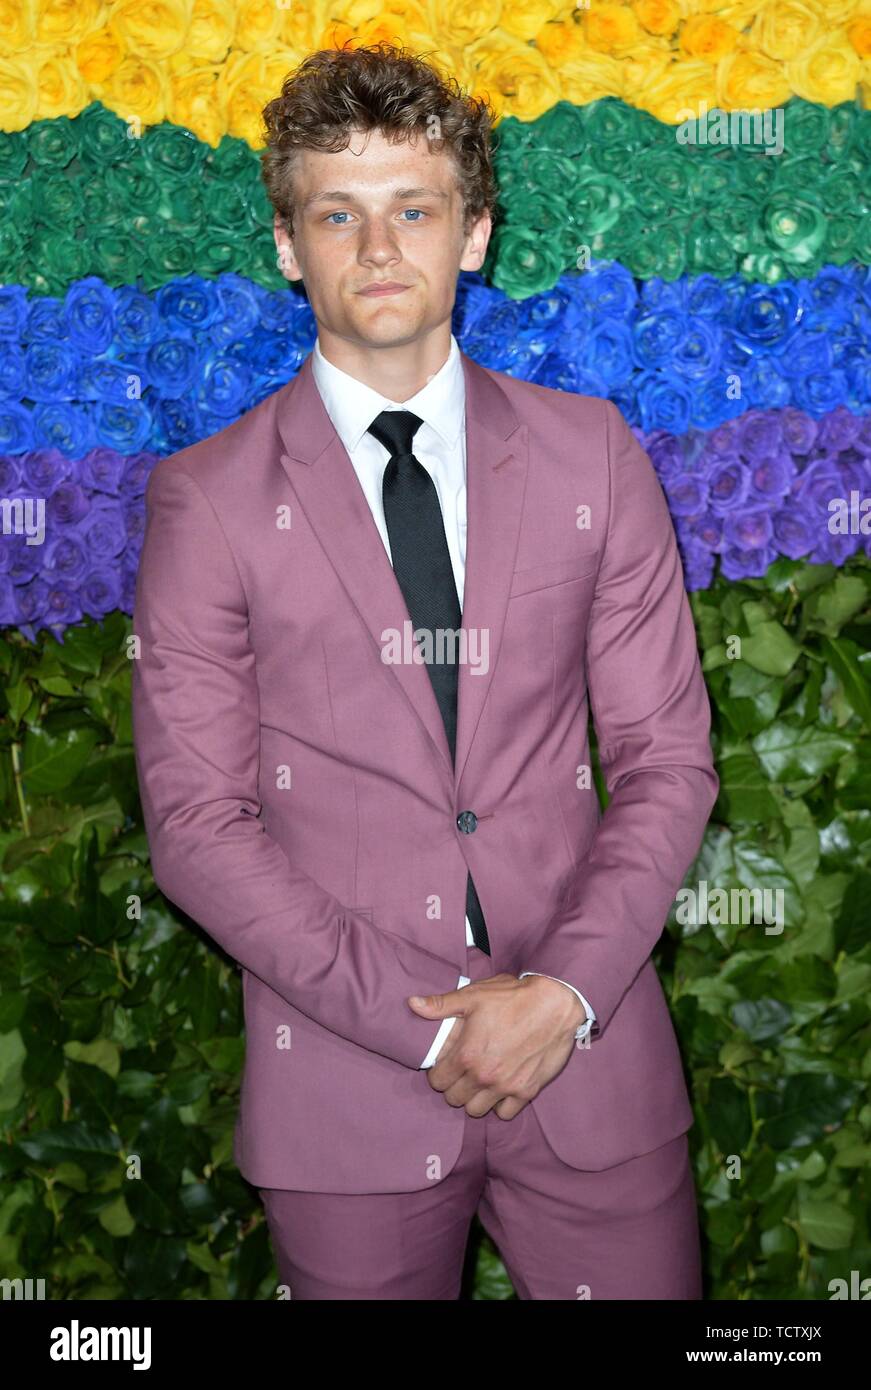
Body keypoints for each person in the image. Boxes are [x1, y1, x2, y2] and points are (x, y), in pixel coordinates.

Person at [131, 41, 719, 1301]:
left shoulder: (591, 457)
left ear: (476, 233)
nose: (380, 247)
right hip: (343, 1093)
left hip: (592, 1063)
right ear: (290, 246)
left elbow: (668, 763)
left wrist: (556, 994)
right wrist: (451, 1019)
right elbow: (194, 826)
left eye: (416, 209)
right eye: (338, 214)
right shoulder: (208, 501)